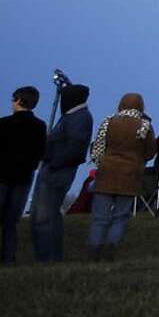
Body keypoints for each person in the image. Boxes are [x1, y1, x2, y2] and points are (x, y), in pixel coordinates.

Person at [88, 93, 157, 261]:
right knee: (120, 216)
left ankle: (94, 249)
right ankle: (111, 246)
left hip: (107, 172)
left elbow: (98, 147)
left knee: (99, 217)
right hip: (130, 173)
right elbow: (150, 152)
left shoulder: (109, 122)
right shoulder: (145, 126)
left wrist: (101, 162)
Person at [30, 83, 92, 263]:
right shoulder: (72, 117)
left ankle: (47, 257)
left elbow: (75, 146)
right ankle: (49, 256)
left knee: (43, 215)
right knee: (48, 214)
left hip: (57, 170)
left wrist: (54, 163)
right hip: (56, 167)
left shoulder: (79, 118)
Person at [0, 86, 47, 264]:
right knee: (11, 222)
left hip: (2, 176)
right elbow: (40, 152)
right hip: (23, 178)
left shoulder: (3, 124)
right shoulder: (39, 126)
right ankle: (8, 258)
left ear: (18, 100)